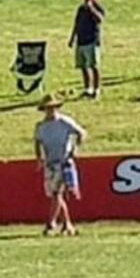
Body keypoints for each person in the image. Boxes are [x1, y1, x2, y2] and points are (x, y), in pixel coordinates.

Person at [33, 94, 87, 237]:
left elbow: (81, 133)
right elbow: (37, 142)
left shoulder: (65, 122)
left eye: (53, 108)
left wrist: (75, 149)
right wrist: (39, 158)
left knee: (57, 193)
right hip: (50, 163)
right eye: (47, 108)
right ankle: (67, 225)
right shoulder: (41, 126)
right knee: (56, 195)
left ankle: (51, 223)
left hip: (64, 162)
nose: (50, 111)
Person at [69, 0, 106, 99]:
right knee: (83, 66)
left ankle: (96, 89)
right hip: (81, 41)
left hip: (92, 41)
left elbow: (99, 20)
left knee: (94, 65)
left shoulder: (98, 7)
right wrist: (72, 38)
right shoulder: (81, 9)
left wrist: (91, 8)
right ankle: (87, 88)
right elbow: (76, 23)